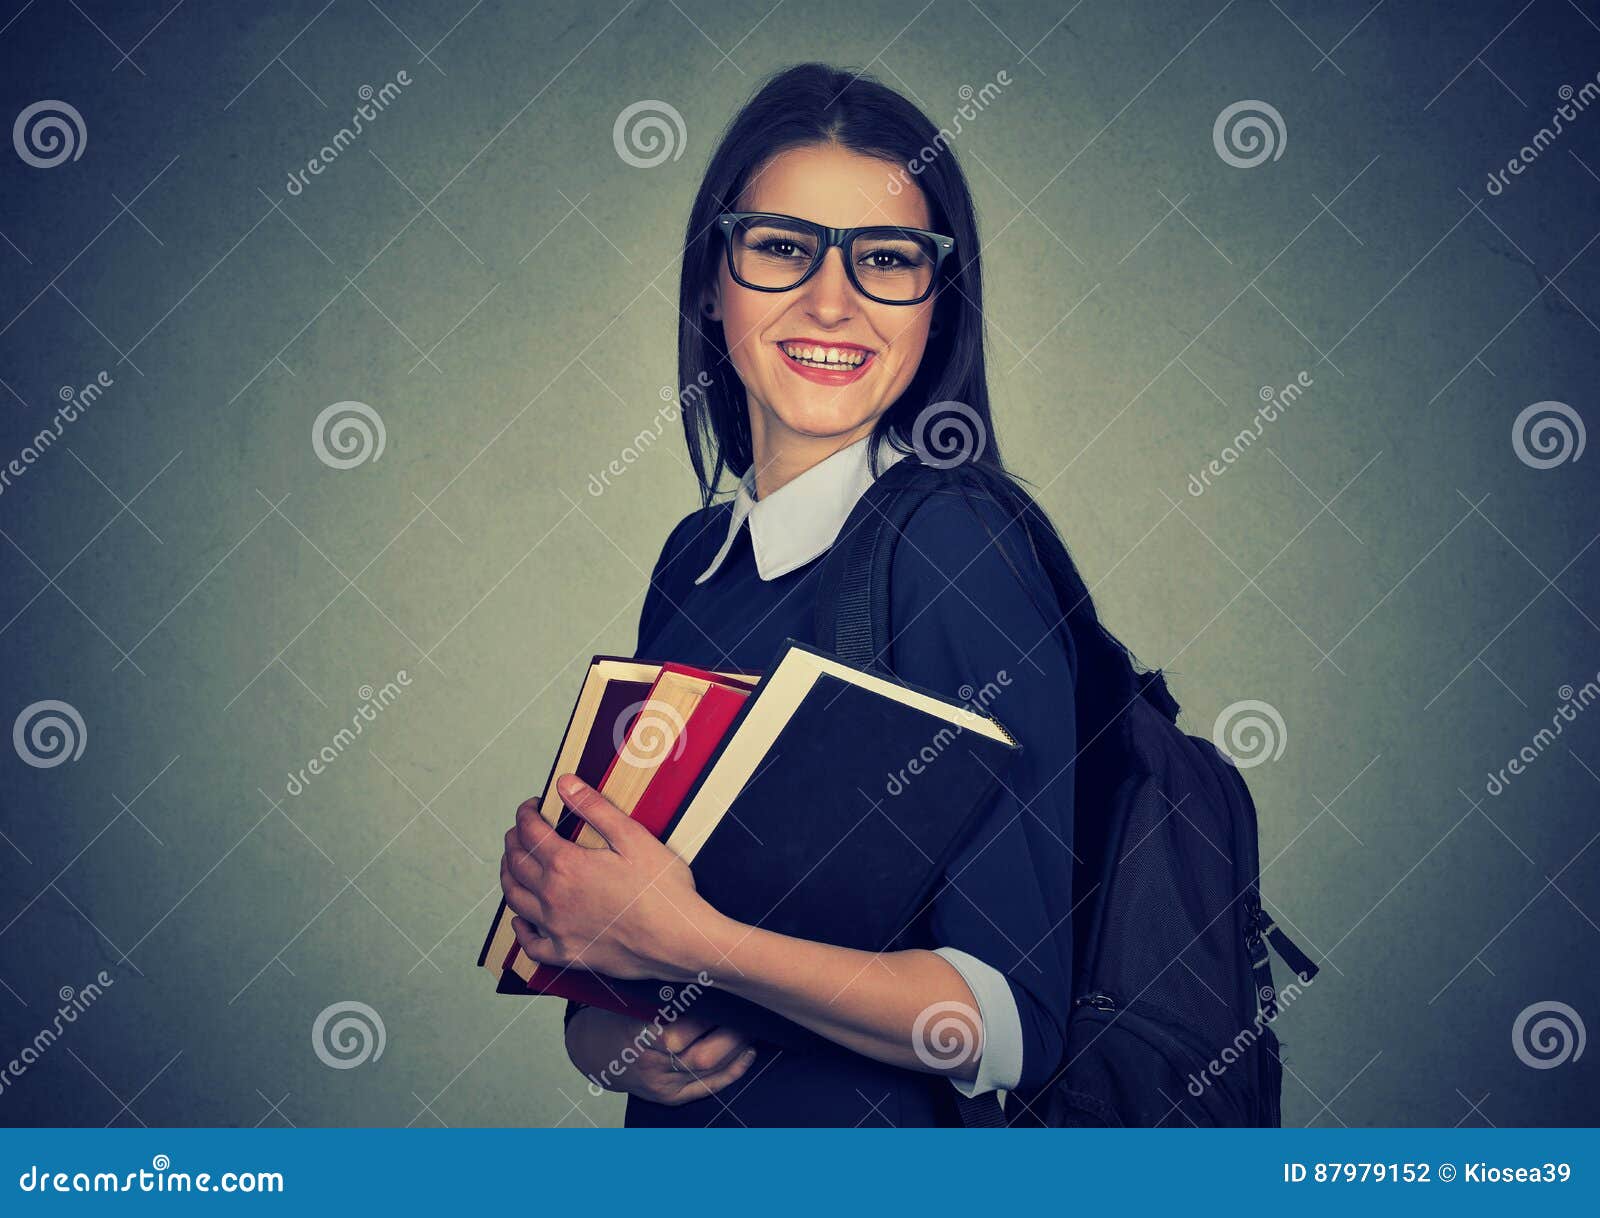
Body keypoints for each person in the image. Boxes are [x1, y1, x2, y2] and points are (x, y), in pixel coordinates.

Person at [499, 62, 1143, 1127]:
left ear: (938, 302)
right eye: (782, 247)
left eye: (887, 258)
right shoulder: (694, 560)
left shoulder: (953, 545)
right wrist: (617, 1037)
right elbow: (621, 981)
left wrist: (696, 945)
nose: (830, 300)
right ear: (714, 277)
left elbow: (1008, 1023)